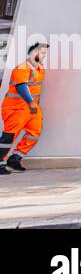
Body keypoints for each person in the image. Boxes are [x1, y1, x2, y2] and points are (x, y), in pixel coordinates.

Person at [0, 41, 47, 175]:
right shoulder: (23, 67)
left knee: (34, 133)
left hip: (31, 109)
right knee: (9, 137)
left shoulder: (39, 68)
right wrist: (31, 102)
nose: (44, 55)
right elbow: (21, 86)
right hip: (16, 108)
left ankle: (15, 159)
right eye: (42, 53)